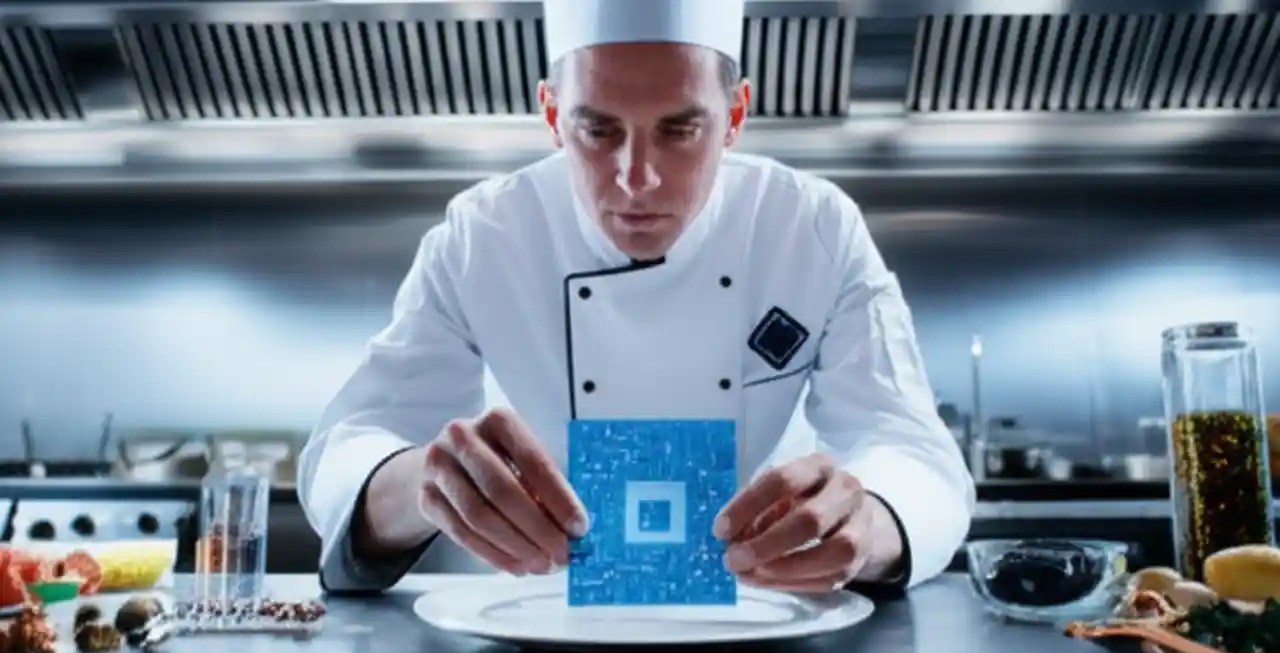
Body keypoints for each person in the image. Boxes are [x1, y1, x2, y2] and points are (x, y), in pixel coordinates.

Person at [297, 0, 975, 597]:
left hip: (766, 618)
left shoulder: (809, 226)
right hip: (529, 625)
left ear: (736, 114)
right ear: (553, 115)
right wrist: (425, 484)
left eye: (680, 130)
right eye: (599, 130)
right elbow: (348, 448)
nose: (637, 179)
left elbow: (910, 447)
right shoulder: (484, 237)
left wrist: (869, 523)